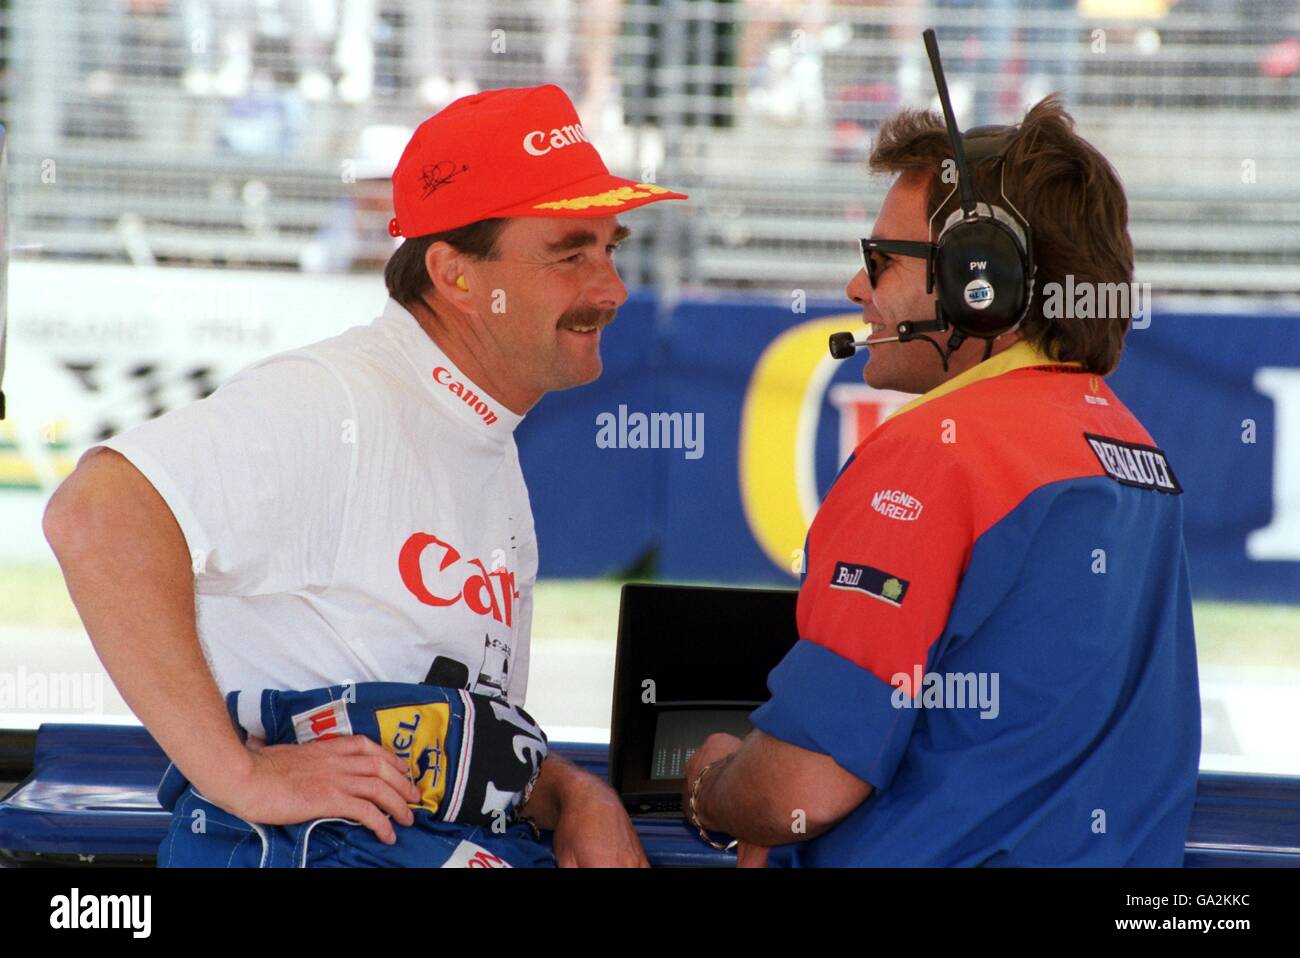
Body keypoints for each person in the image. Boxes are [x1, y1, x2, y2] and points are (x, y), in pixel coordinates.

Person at [43, 84, 686, 868]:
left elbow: (436, 720)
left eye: (611, 248)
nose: (610, 288)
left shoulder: (472, 426)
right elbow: (96, 514)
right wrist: (240, 775)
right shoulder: (338, 399)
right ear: (454, 275)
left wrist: (569, 793)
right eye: (569, 253)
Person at [682, 95, 1201, 867]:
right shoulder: (1134, 450)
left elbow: (803, 788)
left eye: (880, 261)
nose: (857, 289)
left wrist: (713, 786)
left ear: (977, 279)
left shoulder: (933, 456)